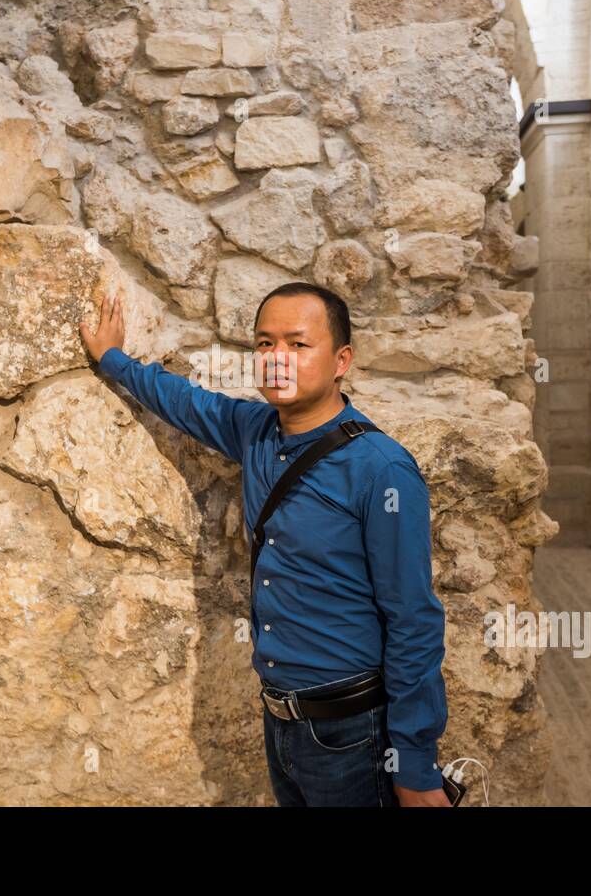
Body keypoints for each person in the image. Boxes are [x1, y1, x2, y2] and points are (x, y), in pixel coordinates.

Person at [80, 282, 449, 807]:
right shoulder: (256, 432)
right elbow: (184, 402)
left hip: (352, 732)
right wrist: (112, 358)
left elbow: (414, 620)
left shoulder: (382, 470)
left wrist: (415, 766)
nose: (278, 359)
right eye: (264, 344)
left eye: (298, 345)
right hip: (278, 722)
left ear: (341, 359)